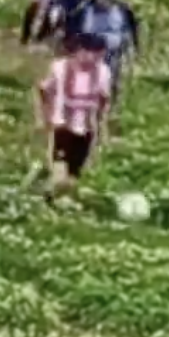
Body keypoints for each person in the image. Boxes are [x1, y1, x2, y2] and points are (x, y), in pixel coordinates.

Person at [34, 32, 111, 207]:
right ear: (78, 51)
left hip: (86, 128)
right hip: (62, 125)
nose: (91, 59)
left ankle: (50, 193)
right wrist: (44, 117)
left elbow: (103, 101)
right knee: (60, 174)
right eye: (88, 53)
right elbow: (43, 90)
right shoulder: (59, 68)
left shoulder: (103, 72)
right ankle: (49, 194)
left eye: (97, 55)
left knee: (72, 178)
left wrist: (102, 129)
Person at [79, 0, 139, 124]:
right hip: (91, 54)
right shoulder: (85, 9)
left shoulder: (122, 9)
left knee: (112, 82)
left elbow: (130, 32)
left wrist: (132, 50)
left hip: (113, 52)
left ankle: (110, 113)